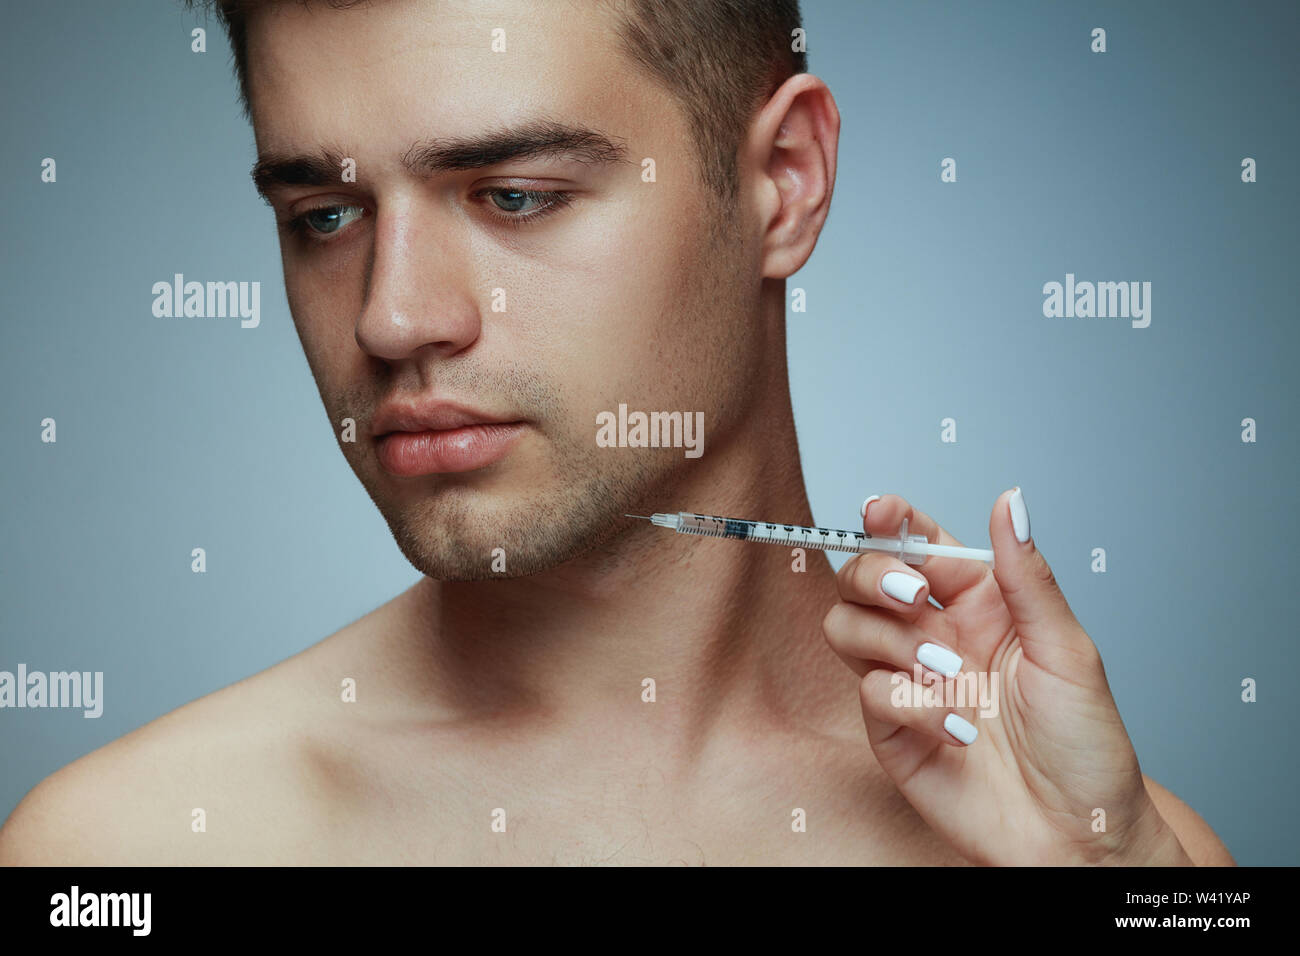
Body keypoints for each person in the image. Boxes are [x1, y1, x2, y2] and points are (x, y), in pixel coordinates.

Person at [0, 0, 1232, 865]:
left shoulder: (1112, 851)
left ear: (784, 182)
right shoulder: (132, 852)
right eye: (325, 215)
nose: (392, 315)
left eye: (515, 195)